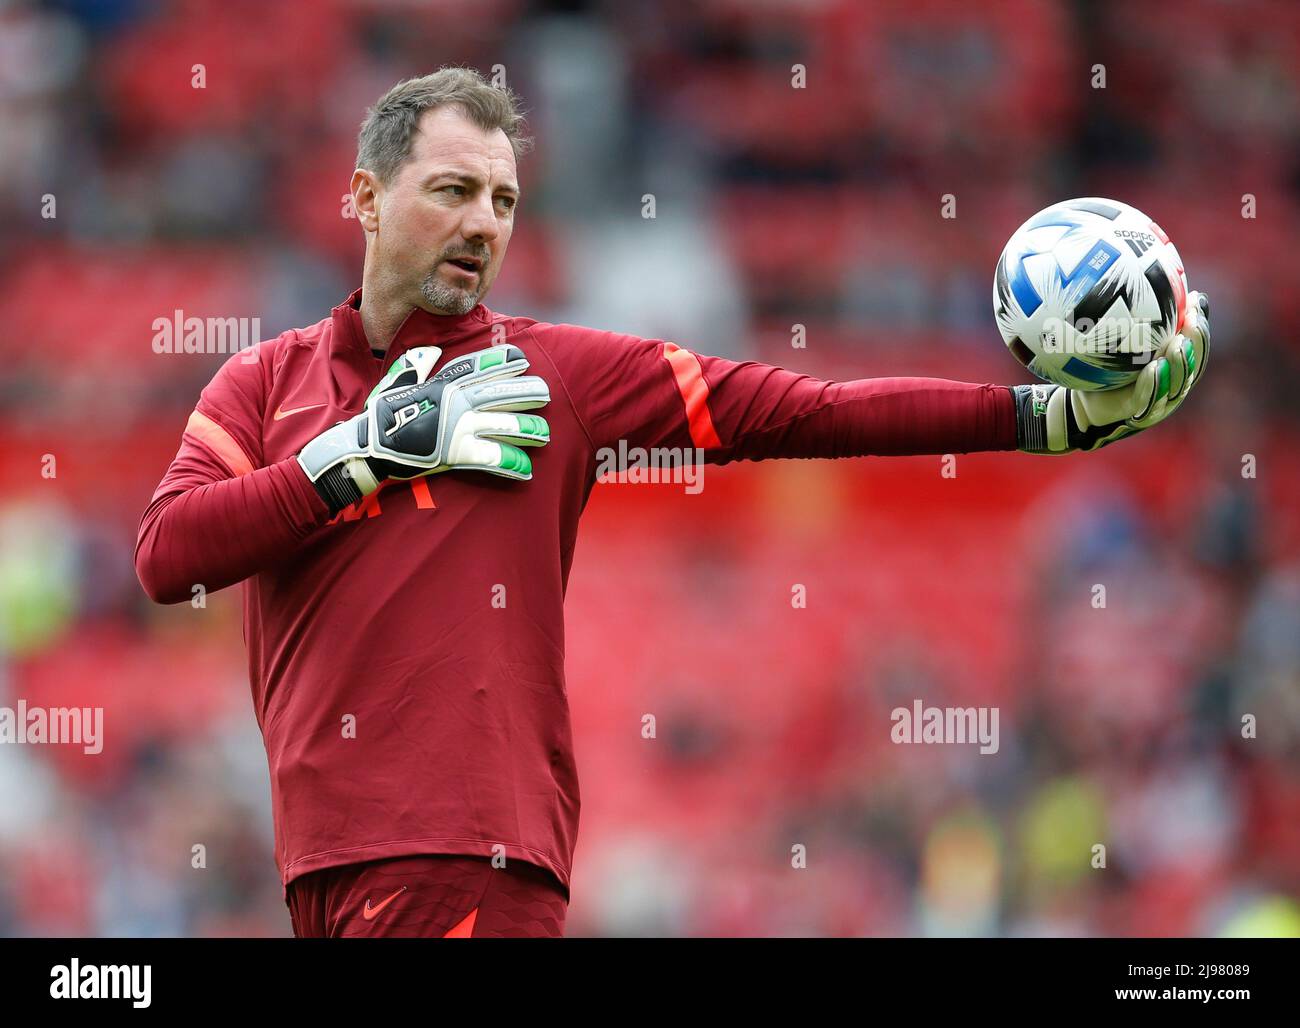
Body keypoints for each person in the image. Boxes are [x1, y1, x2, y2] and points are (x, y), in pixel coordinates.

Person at [134, 66, 1210, 937]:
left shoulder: (552, 373)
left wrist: (1037, 419)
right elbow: (167, 554)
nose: (483, 222)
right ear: (366, 199)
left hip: (468, 853)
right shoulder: (264, 382)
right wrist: (359, 454)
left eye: (503, 200)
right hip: (319, 865)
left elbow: (804, 411)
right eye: (452, 190)